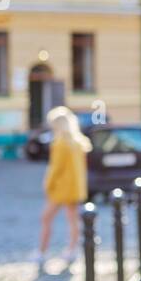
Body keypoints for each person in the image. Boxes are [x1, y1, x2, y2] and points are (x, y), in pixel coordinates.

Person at [36, 105, 91, 268]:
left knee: (45, 218)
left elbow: (55, 168)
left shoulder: (60, 143)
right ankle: (72, 250)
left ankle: (42, 251)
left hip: (61, 189)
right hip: (75, 188)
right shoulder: (78, 142)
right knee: (73, 220)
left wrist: (48, 184)